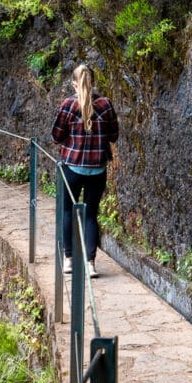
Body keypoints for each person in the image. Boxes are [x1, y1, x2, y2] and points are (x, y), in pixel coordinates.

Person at [51, 62, 119, 277]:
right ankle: (90, 264)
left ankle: (69, 260)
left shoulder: (69, 105)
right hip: (97, 170)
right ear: (94, 82)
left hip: (72, 167)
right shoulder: (106, 105)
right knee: (91, 215)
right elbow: (114, 136)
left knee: (67, 211)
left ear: (74, 83)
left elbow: (56, 136)